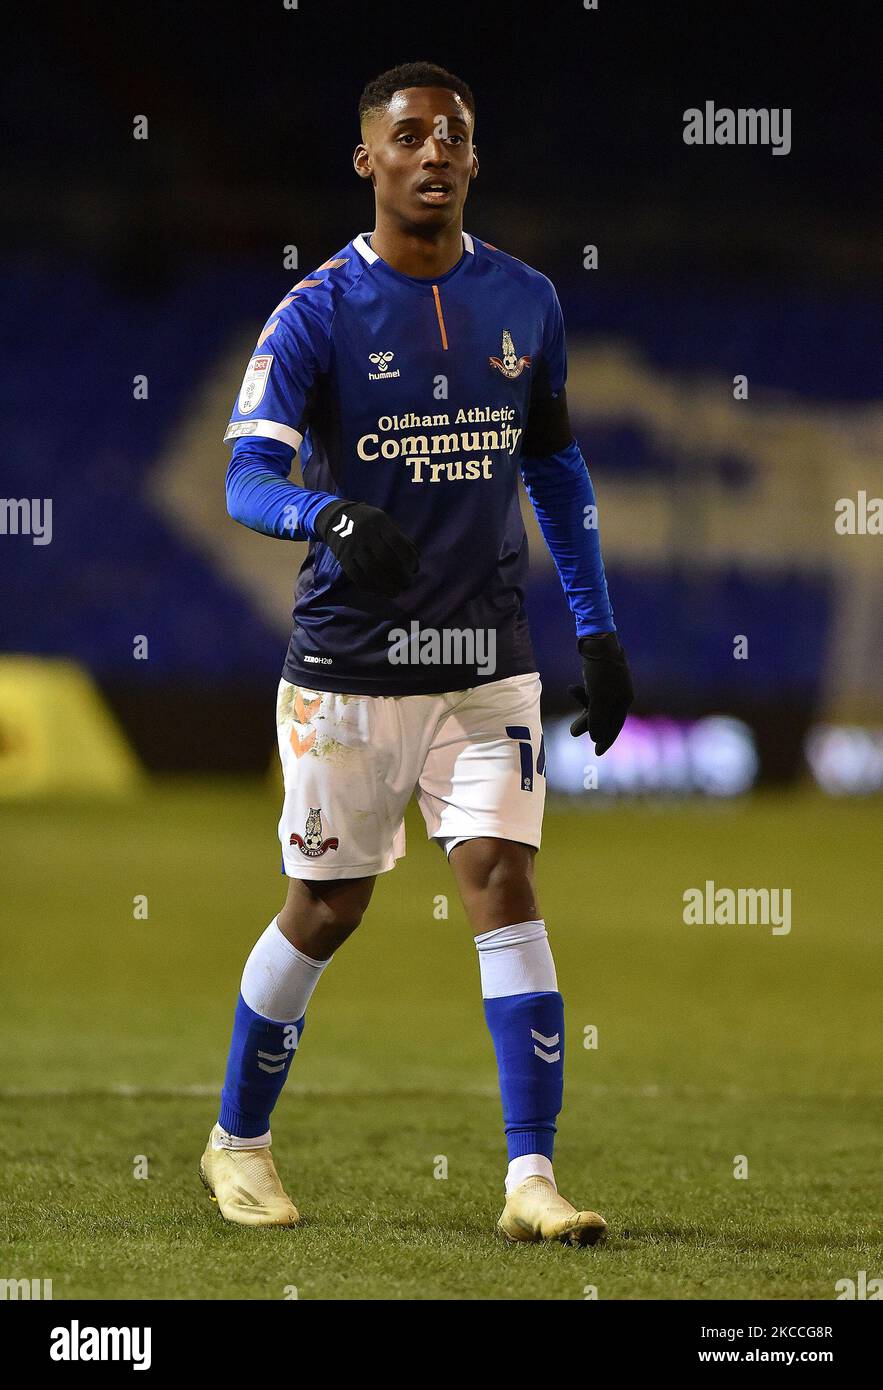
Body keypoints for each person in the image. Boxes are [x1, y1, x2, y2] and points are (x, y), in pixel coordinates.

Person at [200, 61, 633, 1246]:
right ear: (369, 161)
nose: (433, 151)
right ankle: (238, 1140)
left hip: (487, 658)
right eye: (409, 136)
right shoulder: (316, 311)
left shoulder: (526, 300)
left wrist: (596, 629)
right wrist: (328, 515)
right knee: (328, 906)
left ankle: (531, 1175)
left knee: (502, 878)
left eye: (452, 135)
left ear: (474, 159)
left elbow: (555, 469)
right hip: (349, 663)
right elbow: (246, 477)